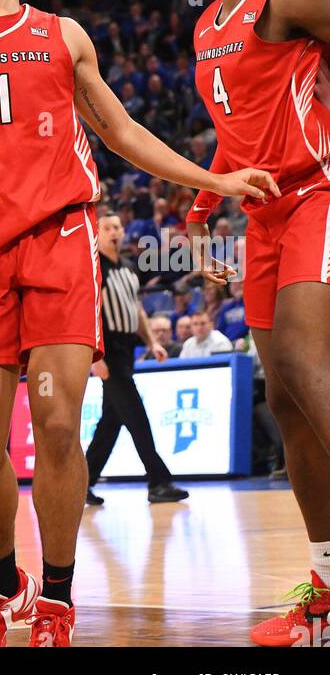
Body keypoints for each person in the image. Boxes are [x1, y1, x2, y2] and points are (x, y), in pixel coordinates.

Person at [0, 0, 276, 648]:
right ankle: (3, 588)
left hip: (61, 240)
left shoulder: (62, 35)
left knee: (60, 424)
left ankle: (58, 602)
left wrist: (214, 181)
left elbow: (123, 133)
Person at [185, 0, 330, 645]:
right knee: (286, 402)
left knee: (308, 369)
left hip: (316, 195)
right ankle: (328, 590)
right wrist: (208, 205)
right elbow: (237, 132)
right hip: (261, 214)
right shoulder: (209, 23)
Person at [85, 211, 188, 507]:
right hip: (108, 350)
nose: (114, 232)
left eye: (117, 227)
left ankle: (83, 482)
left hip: (128, 347)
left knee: (111, 422)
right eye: (107, 228)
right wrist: (95, 355)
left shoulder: (129, 267)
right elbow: (88, 312)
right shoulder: (93, 267)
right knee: (136, 416)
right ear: (97, 233)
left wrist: (152, 342)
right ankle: (158, 481)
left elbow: (137, 309)